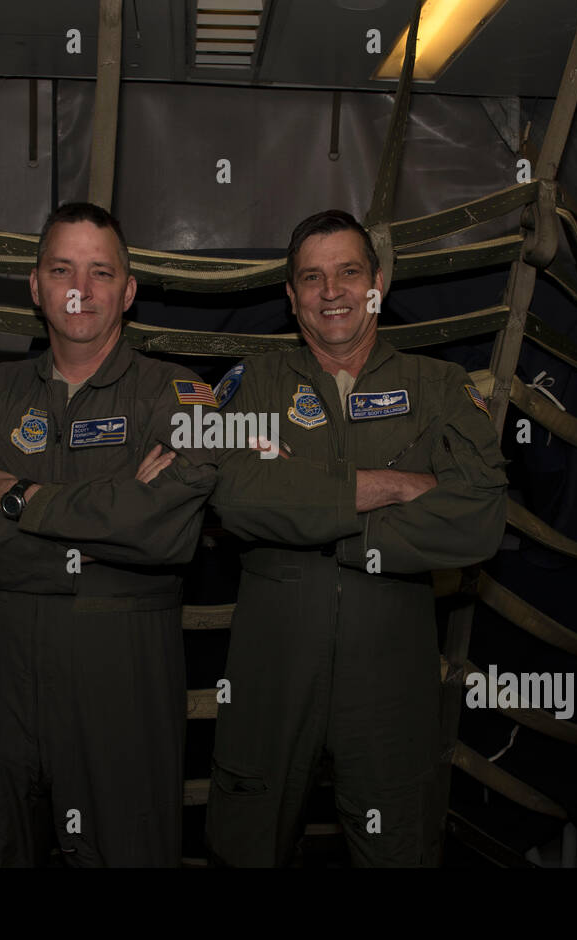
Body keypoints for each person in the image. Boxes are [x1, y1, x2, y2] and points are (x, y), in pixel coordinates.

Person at [204, 209, 509, 866]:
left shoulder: (440, 388)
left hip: (391, 676)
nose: (331, 291)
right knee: (246, 842)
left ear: (377, 282)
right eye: (311, 278)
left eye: (348, 272)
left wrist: (312, 512)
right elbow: (236, 495)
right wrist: (396, 484)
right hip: (271, 671)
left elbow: (479, 514)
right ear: (291, 297)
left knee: (398, 843)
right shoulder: (253, 385)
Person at [0, 202, 217, 866]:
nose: (80, 288)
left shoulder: (181, 395)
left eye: (100, 271)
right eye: (61, 268)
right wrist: (105, 554)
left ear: (128, 291)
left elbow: (166, 530)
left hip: (123, 687)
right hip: (2, 684)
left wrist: (19, 498)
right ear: (35, 286)